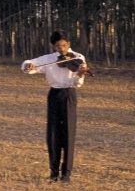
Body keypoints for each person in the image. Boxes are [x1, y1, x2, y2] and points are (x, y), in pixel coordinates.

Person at [22, 30, 90, 182]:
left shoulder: (78, 58)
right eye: (58, 47)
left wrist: (79, 75)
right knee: (53, 134)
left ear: (69, 44)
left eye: (64, 46)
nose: (62, 50)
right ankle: (53, 173)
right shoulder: (49, 59)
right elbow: (27, 65)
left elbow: (78, 84)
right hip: (54, 95)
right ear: (53, 47)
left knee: (68, 133)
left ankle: (66, 174)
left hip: (69, 95)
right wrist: (28, 65)